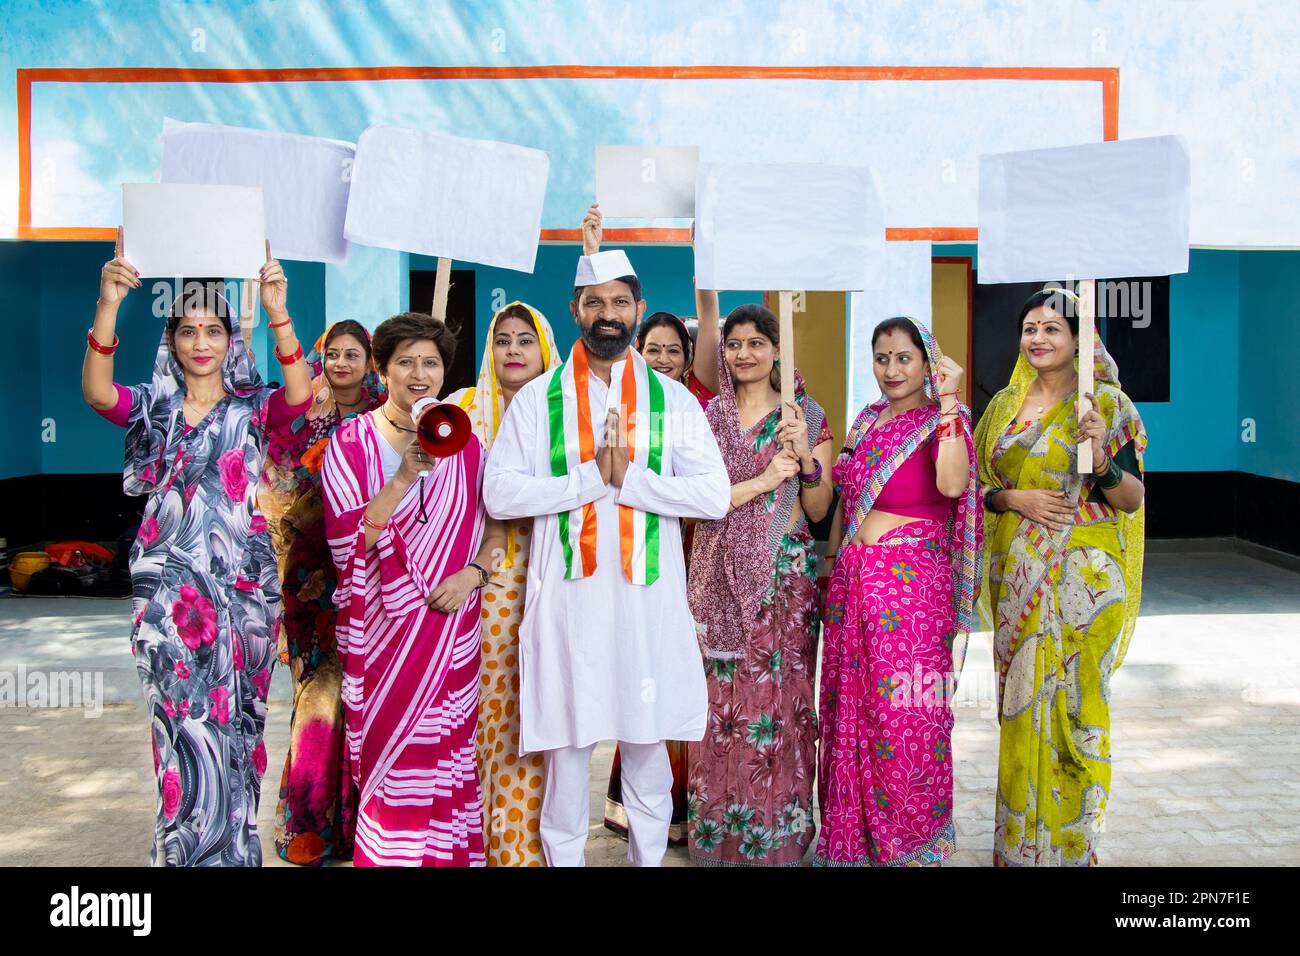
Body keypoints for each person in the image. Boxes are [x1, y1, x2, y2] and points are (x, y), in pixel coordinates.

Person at [483, 248, 730, 867]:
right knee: (568, 753)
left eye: (621, 302)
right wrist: (592, 480)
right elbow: (500, 491)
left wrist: (633, 479)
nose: (608, 313)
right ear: (575, 312)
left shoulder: (672, 402)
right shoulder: (537, 401)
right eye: (595, 302)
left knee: (647, 750)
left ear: (639, 310)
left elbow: (714, 494)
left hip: (645, 605)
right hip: (568, 604)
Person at [82, 230, 312, 866]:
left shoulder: (252, 406)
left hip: (241, 598)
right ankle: (183, 853)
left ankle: (235, 852)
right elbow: (100, 393)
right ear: (173, 340)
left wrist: (276, 310)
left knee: (236, 728)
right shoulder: (153, 405)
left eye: (215, 331)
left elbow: (301, 396)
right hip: (168, 600)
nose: (202, 343)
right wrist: (109, 305)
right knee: (179, 729)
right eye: (189, 331)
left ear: (231, 340)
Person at [321, 311, 507, 867]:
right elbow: (347, 545)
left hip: (451, 635)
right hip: (382, 640)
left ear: (444, 372)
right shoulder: (350, 444)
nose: (418, 373)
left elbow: (495, 528)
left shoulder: (469, 445)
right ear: (382, 368)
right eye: (405, 362)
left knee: (448, 763)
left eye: (430, 362)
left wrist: (474, 574)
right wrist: (403, 477)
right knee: (392, 769)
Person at [974, 287, 1146, 867]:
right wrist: (1011, 497)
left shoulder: (1107, 407)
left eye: (1053, 328)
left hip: (1087, 588)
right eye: (1030, 328)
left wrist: (1101, 460)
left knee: (1076, 711)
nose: (1039, 339)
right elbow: (976, 493)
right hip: (1018, 582)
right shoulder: (1001, 407)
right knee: (1022, 706)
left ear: (1079, 340)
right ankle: (1018, 848)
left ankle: (1075, 846)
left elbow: (1132, 499)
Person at [814, 316, 983, 867]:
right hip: (854, 588)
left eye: (904, 357)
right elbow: (846, 503)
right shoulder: (865, 421)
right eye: (882, 358)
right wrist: (834, 563)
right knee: (851, 713)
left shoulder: (941, 420)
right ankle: (855, 841)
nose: (891, 370)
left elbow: (953, 486)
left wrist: (952, 403)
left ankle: (911, 841)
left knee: (908, 713)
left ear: (928, 361)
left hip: (911, 596)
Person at [685, 301, 835, 866]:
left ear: (777, 350)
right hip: (718, 575)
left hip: (783, 574)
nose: (743, 353)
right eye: (734, 343)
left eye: (756, 342)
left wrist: (805, 459)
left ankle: (778, 837)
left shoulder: (806, 415)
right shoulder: (708, 416)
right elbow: (694, 499)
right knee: (720, 703)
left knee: (780, 701)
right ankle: (721, 836)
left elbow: (818, 508)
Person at [259, 320, 385, 865]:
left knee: (367, 699)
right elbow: (274, 490)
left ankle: (362, 825)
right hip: (309, 581)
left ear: (370, 361)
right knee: (319, 694)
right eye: (332, 354)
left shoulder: (388, 415)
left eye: (352, 355)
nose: (340, 364)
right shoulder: (296, 417)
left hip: (375, 576)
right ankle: (308, 829)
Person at [446, 300, 560, 866]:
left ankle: (519, 846)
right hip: (476, 583)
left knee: (533, 713)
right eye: (503, 340)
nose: (513, 350)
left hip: (552, 576)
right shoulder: (461, 410)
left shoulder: (566, 413)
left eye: (525, 340)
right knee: (476, 711)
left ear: (545, 350)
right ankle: (467, 839)